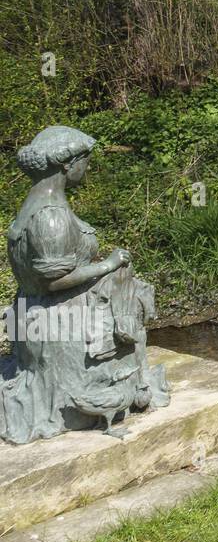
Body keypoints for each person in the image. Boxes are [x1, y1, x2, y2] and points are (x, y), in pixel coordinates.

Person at [0, 126, 168, 444]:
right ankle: (106, 401)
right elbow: (53, 281)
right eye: (85, 162)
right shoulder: (52, 217)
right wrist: (108, 265)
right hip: (61, 324)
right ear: (68, 164)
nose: (86, 169)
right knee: (132, 338)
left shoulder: (32, 207)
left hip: (33, 315)